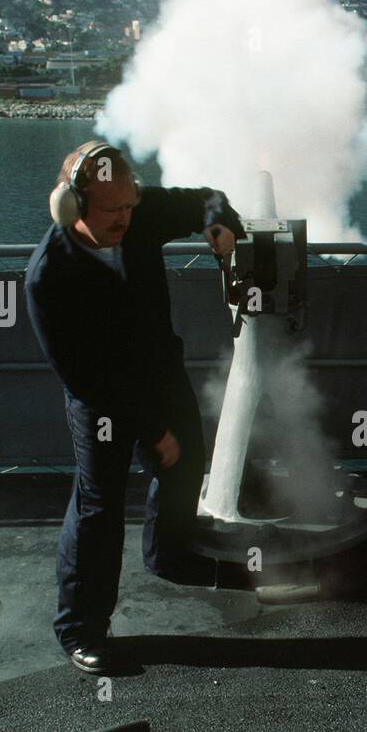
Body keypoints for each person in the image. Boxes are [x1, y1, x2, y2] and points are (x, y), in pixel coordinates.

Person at [25, 141, 244, 674]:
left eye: (130, 205)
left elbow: (206, 198)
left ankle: (169, 554)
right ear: (72, 208)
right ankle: (80, 629)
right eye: (111, 210)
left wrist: (221, 222)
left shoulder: (138, 215)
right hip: (101, 399)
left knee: (187, 461)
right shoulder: (48, 276)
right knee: (99, 505)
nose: (126, 218)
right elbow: (86, 378)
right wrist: (150, 431)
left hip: (159, 374)